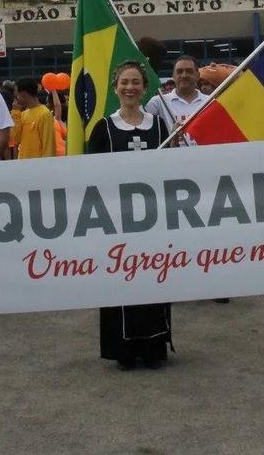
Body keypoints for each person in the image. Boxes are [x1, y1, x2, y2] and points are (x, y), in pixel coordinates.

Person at [88, 60, 173, 370]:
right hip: (116, 221)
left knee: (153, 278)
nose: (130, 87)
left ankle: (153, 347)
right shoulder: (104, 128)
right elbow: (91, 176)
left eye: (136, 82)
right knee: (121, 280)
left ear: (145, 87)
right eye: (124, 82)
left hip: (154, 220)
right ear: (115, 87)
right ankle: (123, 349)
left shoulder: (160, 126)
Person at [145, 55, 209, 145]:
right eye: (179, 71)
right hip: (171, 156)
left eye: (189, 71)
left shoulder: (210, 102)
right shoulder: (159, 102)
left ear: (197, 75)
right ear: (173, 75)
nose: (184, 75)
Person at [10, 77, 56, 159]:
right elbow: (16, 139)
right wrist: (16, 113)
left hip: (39, 165)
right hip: (24, 163)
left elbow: (48, 145)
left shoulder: (45, 114)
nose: (16, 98)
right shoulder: (23, 114)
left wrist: (48, 166)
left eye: (17, 95)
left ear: (23, 94)